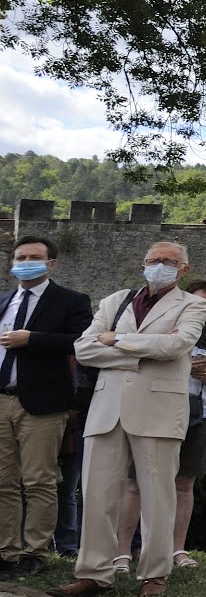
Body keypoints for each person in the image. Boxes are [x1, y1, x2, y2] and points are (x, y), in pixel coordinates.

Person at [52, 241, 206, 597]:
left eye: (169, 261)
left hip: (158, 409)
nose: (160, 266)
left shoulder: (194, 303)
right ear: (143, 264)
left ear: (183, 269)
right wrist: (139, 353)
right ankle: (93, 572)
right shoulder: (115, 300)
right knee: (96, 493)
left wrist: (118, 339)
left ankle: (154, 574)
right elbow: (85, 348)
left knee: (158, 495)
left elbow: (175, 346)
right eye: (154, 260)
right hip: (107, 408)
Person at [113, 279, 206, 569]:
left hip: (199, 413)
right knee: (136, 483)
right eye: (199, 301)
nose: (204, 307)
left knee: (184, 483)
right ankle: (123, 551)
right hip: (153, 410)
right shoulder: (157, 328)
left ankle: (177, 550)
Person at [0, 236, 92, 578]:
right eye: (21, 256)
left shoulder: (70, 300)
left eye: (34, 257)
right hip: (1, 399)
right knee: (2, 482)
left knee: (38, 480)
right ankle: (5, 551)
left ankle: (35, 551)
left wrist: (32, 338)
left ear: (51, 263)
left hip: (41, 404)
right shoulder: (4, 300)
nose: (26, 261)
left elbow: (84, 342)